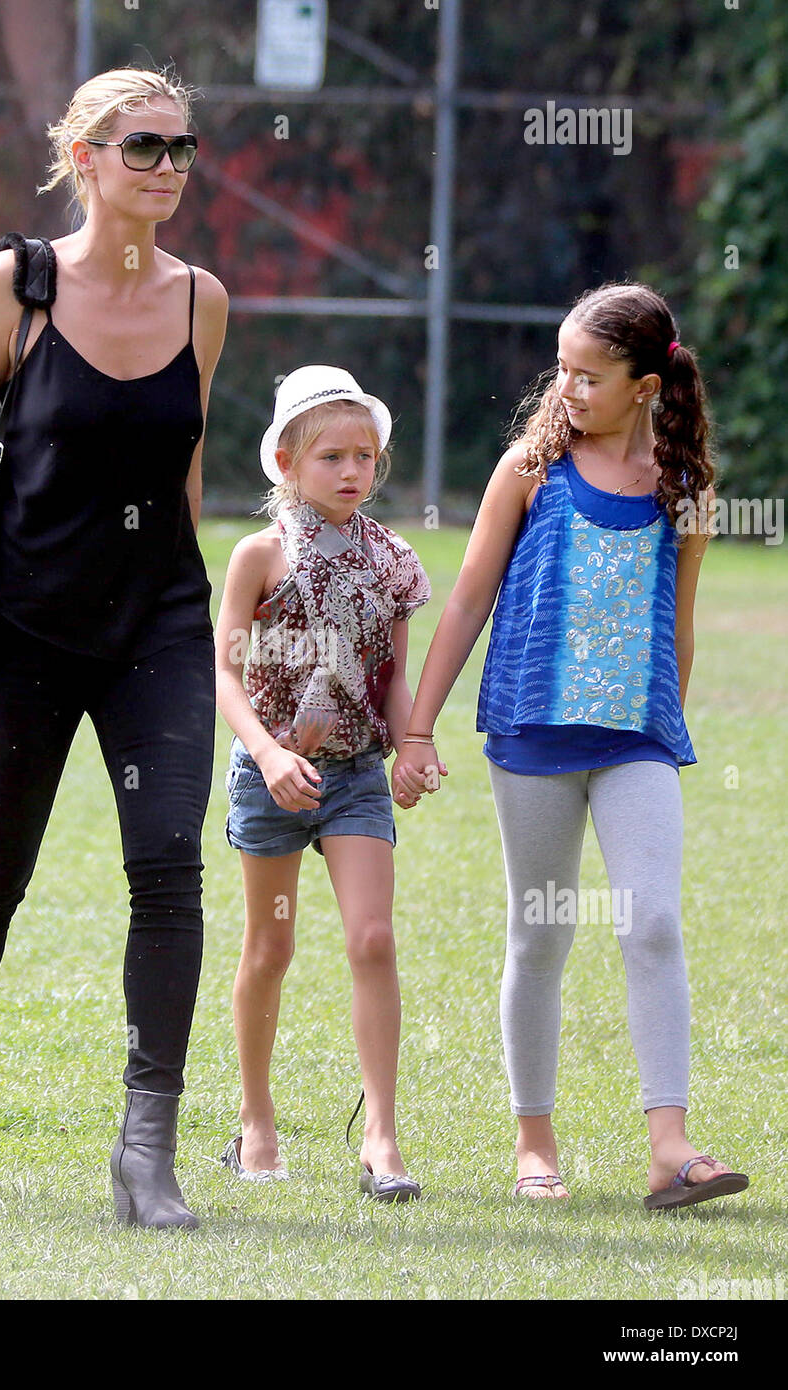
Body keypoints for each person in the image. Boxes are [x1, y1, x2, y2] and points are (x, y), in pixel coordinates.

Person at [0, 66, 229, 1230]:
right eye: (144, 148)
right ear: (86, 158)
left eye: (181, 148)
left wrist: (211, 615)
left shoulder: (200, 300)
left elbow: (183, 469)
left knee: (170, 870)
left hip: (159, 623)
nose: (168, 167)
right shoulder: (14, 288)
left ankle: (146, 1154)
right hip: (24, 627)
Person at [394, 283, 749, 1209]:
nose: (566, 389)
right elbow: (467, 599)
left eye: (587, 376)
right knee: (540, 932)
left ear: (643, 385)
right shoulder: (529, 468)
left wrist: (666, 724)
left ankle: (668, 1148)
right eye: (560, 370)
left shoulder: (684, 490)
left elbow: (680, 624)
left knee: (653, 923)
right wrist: (418, 726)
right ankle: (532, 1141)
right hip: (531, 735)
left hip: (636, 739)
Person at [214, 365, 431, 1201]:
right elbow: (226, 676)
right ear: (285, 461)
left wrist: (413, 743)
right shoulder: (258, 556)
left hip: (353, 780)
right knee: (270, 947)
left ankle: (380, 1135)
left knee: (371, 938)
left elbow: (392, 681)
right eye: (331, 456)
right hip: (270, 780)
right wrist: (268, 756)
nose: (351, 472)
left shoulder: (393, 562)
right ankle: (255, 1123)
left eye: (365, 457)